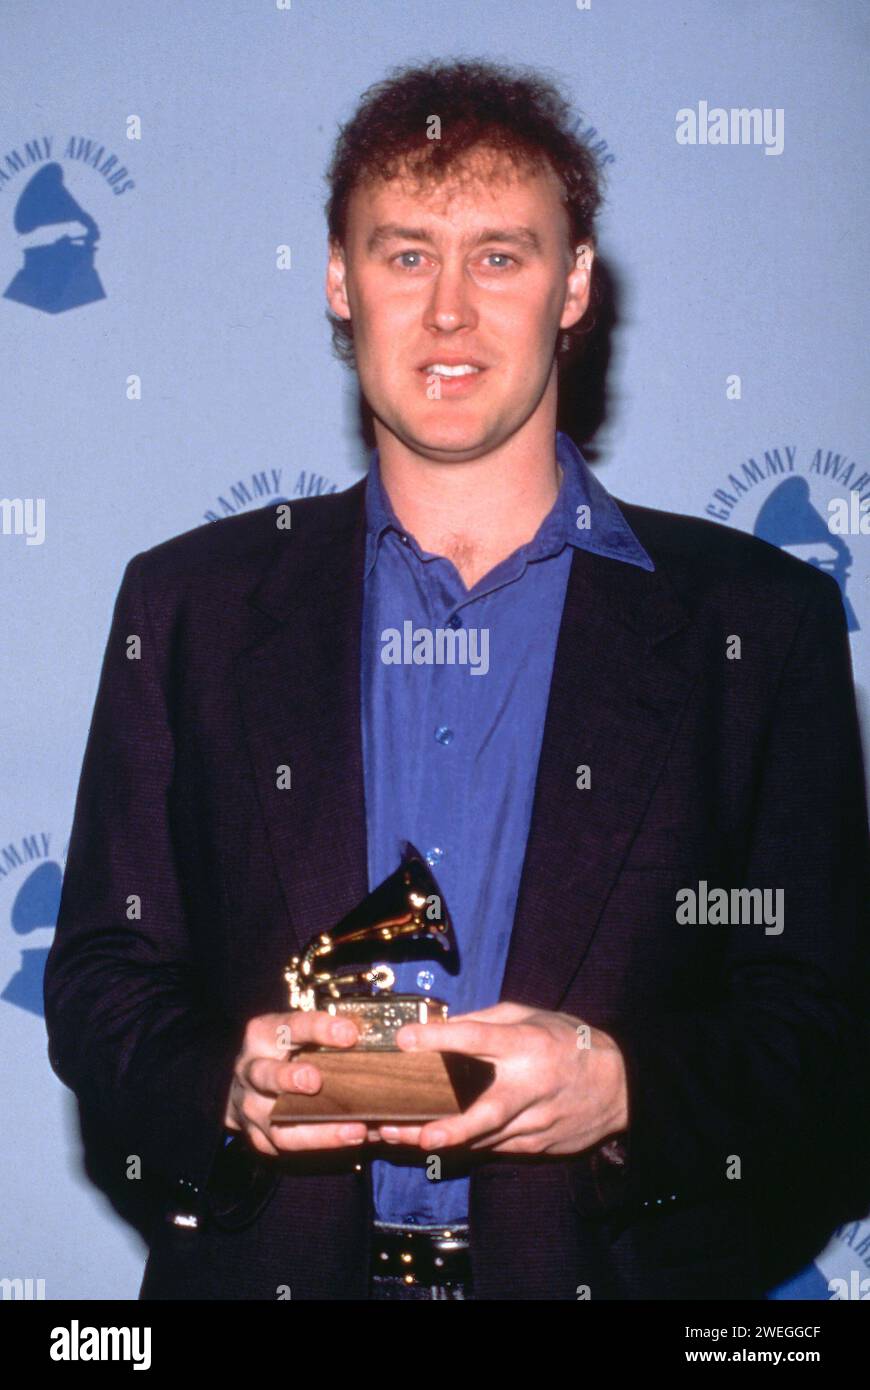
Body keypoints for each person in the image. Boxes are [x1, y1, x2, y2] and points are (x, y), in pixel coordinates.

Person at [44, 58, 869, 1301]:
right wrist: (225, 1086)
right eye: (404, 253)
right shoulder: (191, 606)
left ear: (574, 284)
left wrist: (622, 1088)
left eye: (500, 255)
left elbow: (822, 1018)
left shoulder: (759, 624)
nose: (448, 314)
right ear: (338, 279)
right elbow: (105, 977)